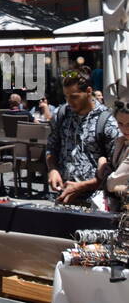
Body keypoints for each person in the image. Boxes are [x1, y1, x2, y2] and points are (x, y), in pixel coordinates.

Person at [46, 72, 119, 205]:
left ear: (89, 91)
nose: (69, 101)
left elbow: (116, 170)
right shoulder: (62, 114)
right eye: (66, 96)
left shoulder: (108, 122)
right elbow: (51, 147)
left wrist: (83, 186)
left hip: (96, 202)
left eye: (74, 97)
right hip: (63, 197)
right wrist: (52, 169)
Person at [98, 100, 129, 212]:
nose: (125, 129)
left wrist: (104, 169)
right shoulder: (120, 142)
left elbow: (111, 184)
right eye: (120, 123)